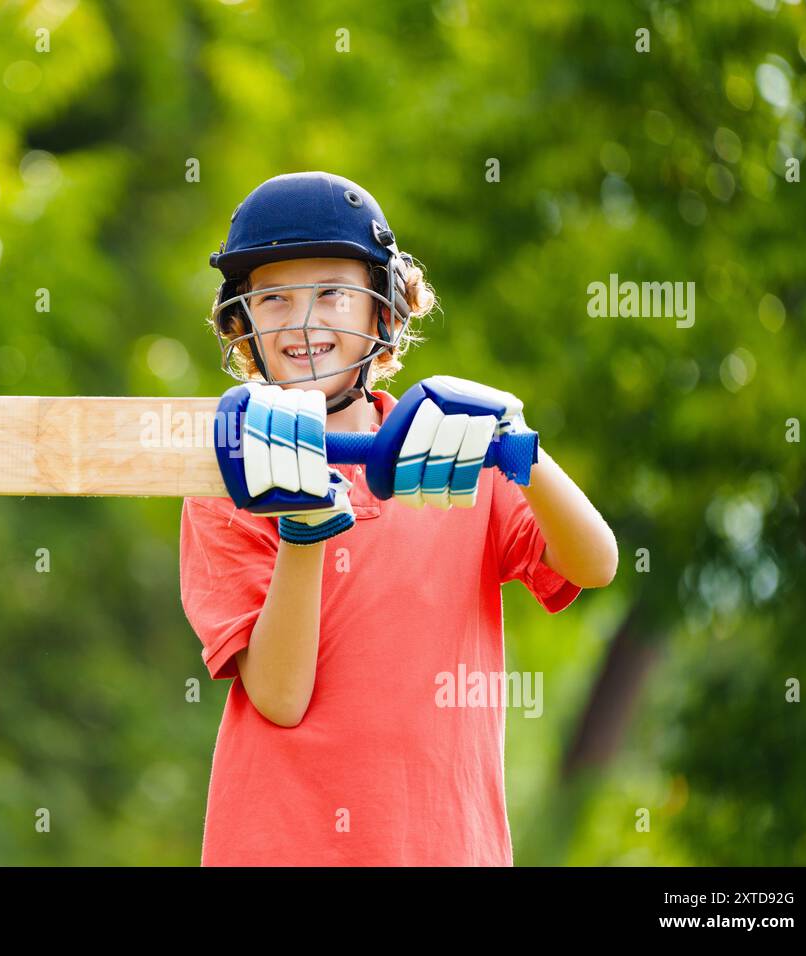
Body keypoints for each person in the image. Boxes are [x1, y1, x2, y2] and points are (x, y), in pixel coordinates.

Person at [179, 171, 618, 866]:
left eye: (331, 293)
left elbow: (595, 563)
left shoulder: (457, 452)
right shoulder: (226, 481)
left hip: (444, 846)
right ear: (243, 323)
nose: (302, 322)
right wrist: (302, 526)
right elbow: (281, 698)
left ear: (384, 310)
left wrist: (517, 440)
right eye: (273, 298)